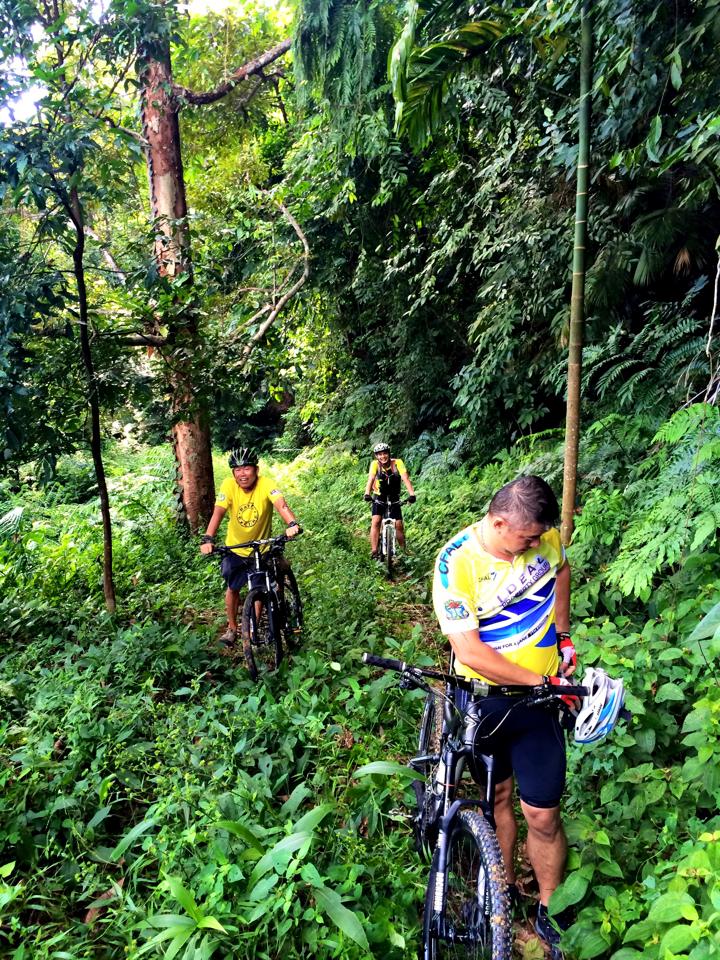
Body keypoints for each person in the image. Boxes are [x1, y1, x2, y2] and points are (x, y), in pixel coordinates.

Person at [431, 475, 577, 957]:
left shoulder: (543, 538)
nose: (537, 543)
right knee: (497, 800)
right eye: (527, 537)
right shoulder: (457, 563)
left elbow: (561, 571)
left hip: (539, 704)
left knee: (543, 813)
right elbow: (469, 651)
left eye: (540, 535)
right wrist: (538, 681)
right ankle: (503, 889)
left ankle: (550, 907)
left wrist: (563, 636)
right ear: (498, 522)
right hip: (487, 699)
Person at [200, 447, 301, 643]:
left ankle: (253, 626)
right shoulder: (229, 486)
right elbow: (218, 512)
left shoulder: (266, 484)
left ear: (256, 469)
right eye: (237, 470)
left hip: (260, 548)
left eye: (247, 468)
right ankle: (232, 628)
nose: (242, 474)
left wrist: (292, 523)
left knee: (258, 587)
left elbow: (281, 504)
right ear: (232, 473)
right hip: (235, 548)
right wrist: (208, 537)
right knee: (233, 588)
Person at [363, 442, 416, 559]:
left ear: (389, 454)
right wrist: (367, 493)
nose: (383, 456)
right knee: (376, 521)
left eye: (385, 453)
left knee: (398, 525)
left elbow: (405, 478)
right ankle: (374, 551)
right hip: (379, 496)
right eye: (379, 454)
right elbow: (371, 478)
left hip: (394, 497)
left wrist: (412, 494)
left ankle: (404, 551)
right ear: (376, 456)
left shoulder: (397, 463)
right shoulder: (374, 464)